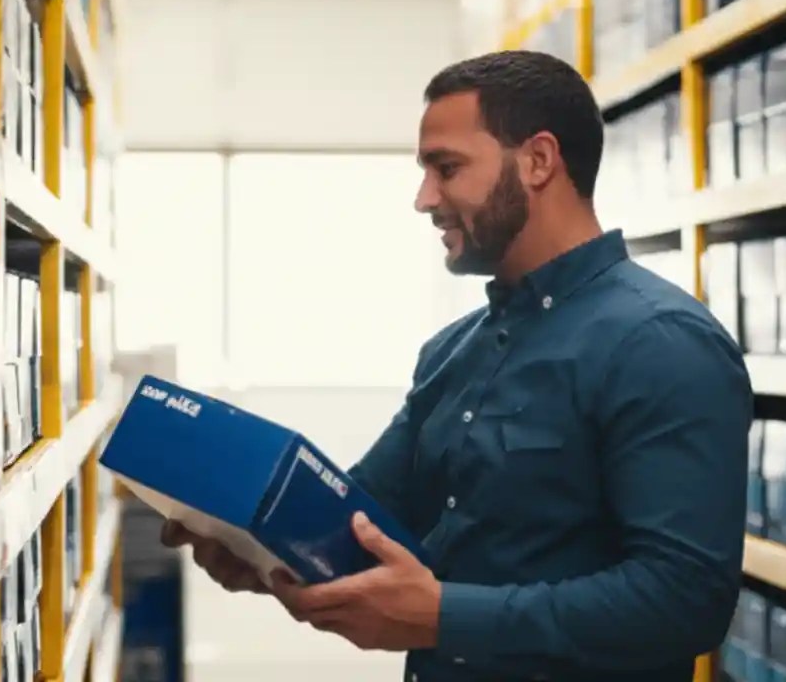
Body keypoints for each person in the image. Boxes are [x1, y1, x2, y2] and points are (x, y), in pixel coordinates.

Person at [161, 49, 752, 682]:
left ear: (538, 161)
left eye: (447, 169)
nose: (424, 199)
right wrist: (261, 551)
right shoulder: (452, 351)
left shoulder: (662, 343)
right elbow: (363, 517)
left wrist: (446, 617)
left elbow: (685, 599)